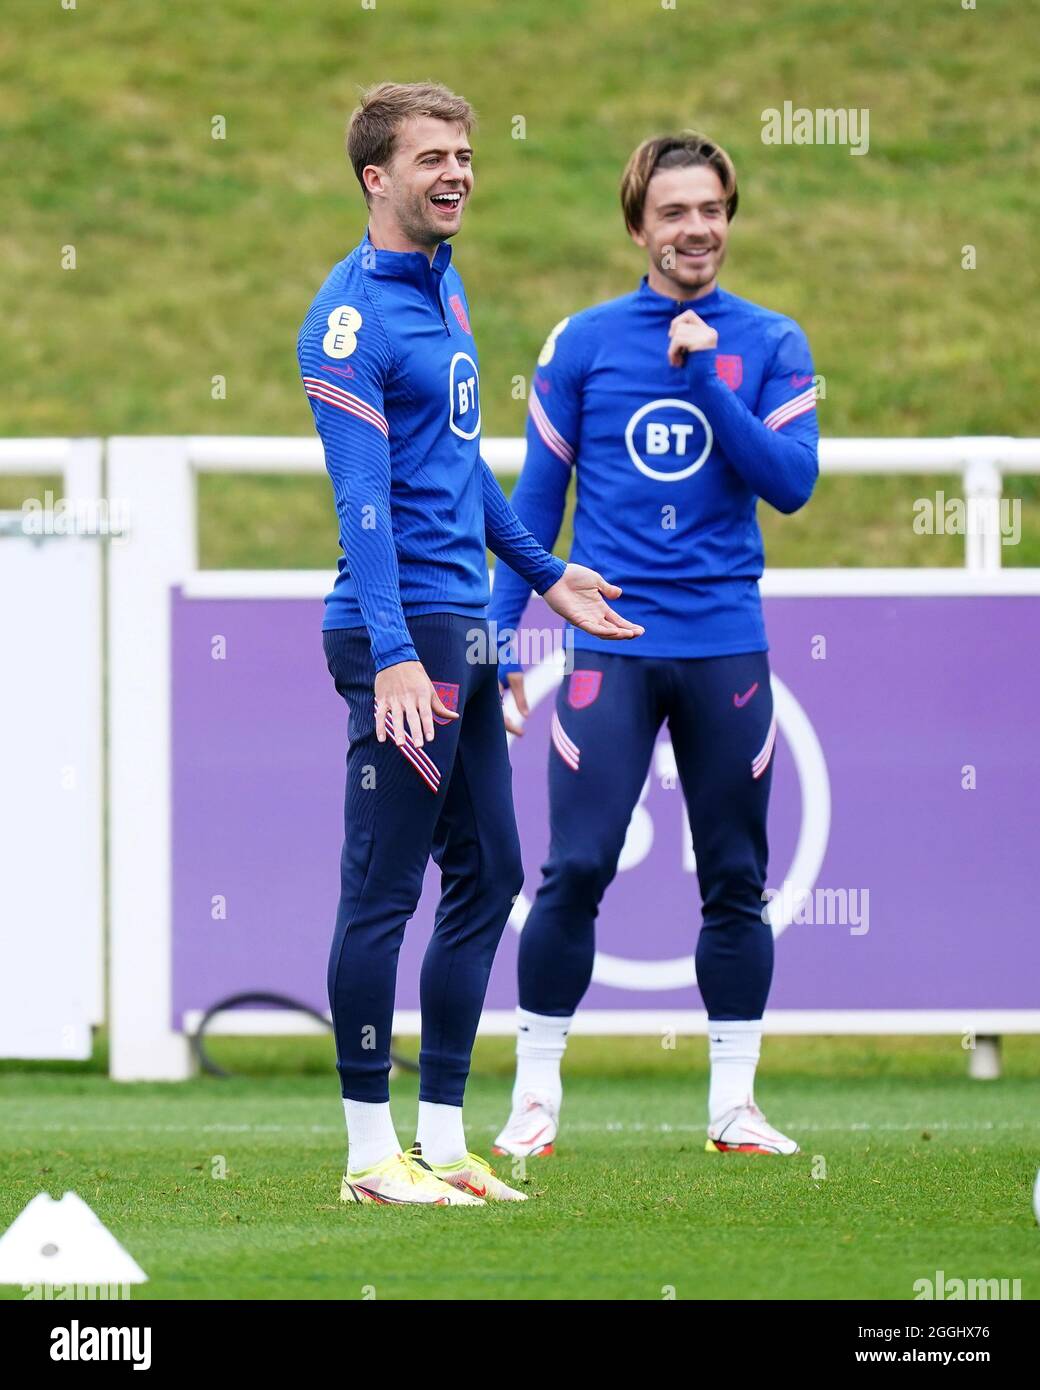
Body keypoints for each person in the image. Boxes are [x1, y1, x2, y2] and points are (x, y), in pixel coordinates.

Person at [297, 82, 643, 1206]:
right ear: (374, 177)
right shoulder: (346, 320)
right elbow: (365, 504)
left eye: (464, 155)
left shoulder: (444, 288)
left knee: (489, 872)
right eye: (431, 156)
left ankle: (440, 1140)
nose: (455, 173)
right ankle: (366, 1157)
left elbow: (457, 473)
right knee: (380, 891)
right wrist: (397, 652)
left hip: (462, 631)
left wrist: (547, 573)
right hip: (396, 633)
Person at [489, 131, 818, 1160]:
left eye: (711, 209)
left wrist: (707, 380)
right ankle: (533, 1098)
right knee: (575, 865)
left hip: (725, 643)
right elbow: (530, 509)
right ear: (638, 226)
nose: (696, 229)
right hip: (611, 649)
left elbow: (790, 483)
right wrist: (495, 638)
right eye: (673, 212)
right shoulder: (580, 343)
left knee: (733, 876)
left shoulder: (769, 342)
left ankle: (732, 1105)